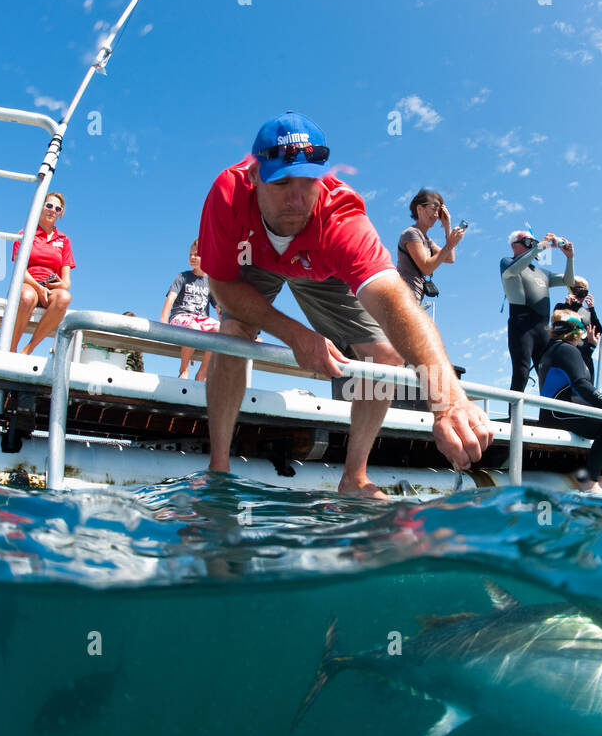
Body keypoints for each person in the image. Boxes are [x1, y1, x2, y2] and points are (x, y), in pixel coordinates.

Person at [197, 111, 491, 498]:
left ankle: (354, 477)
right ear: (253, 177)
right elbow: (221, 282)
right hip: (255, 260)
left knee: (383, 354)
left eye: (310, 183)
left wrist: (447, 398)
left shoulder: (342, 216)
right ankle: (219, 466)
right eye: (282, 183)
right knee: (234, 331)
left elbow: (394, 303)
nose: (298, 200)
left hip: (319, 268)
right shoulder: (228, 194)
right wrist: (295, 334)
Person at [536, 313, 602, 493]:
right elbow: (581, 383)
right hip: (558, 413)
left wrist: (590, 347)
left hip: (557, 411)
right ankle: (591, 480)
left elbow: (576, 371)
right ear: (576, 331)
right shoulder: (565, 350)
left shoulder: (557, 349)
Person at [501, 230, 575, 392]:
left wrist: (569, 258)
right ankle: (514, 415)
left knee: (548, 374)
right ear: (514, 246)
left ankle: (547, 416)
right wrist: (541, 246)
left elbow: (568, 281)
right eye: (527, 242)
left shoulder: (543, 273)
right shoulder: (507, 262)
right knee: (521, 372)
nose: (532, 246)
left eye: (533, 242)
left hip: (543, 329)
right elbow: (514, 270)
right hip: (521, 326)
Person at [10, 192, 73, 355]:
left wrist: (59, 284)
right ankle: (11, 349)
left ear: (60, 214)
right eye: (49, 205)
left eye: (57, 208)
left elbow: (67, 282)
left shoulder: (64, 240)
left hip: (50, 288)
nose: (53, 210)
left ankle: (27, 350)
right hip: (29, 282)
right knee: (27, 297)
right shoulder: (25, 233)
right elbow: (19, 269)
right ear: (41, 207)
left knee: (64, 298)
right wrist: (38, 289)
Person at [161, 239, 220, 380]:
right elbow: (170, 298)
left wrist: (227, 327)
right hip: (181, 317)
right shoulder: (182, 277)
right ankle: (184, 369)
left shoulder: (211, 283)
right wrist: (163, 321)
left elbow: (219, 308)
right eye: (190, 254)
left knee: (219, 329)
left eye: (197, 254)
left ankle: (203, 372)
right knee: (193, 327)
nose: (192, 257)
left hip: (201, 320)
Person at [395, 189, 463, 303]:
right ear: (419, 208)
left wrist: (447, 226)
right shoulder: (411, 233)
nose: (436, 215)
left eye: (439, 212)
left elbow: (450, 258)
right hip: (405, 294)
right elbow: (426, 268)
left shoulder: (427, 241)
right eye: (433, 209)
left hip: (413, 295)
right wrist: (449, 244)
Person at [555, 275, 602, 373]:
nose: (579, 296)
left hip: (585, 357)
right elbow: (559, 326)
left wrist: (592, 309)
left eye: (583, 293)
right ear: (570, 290)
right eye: (577, 292)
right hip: (565, 356)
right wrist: (568, 305)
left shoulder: (588, 312)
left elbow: (598, 331)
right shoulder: (561, 307)